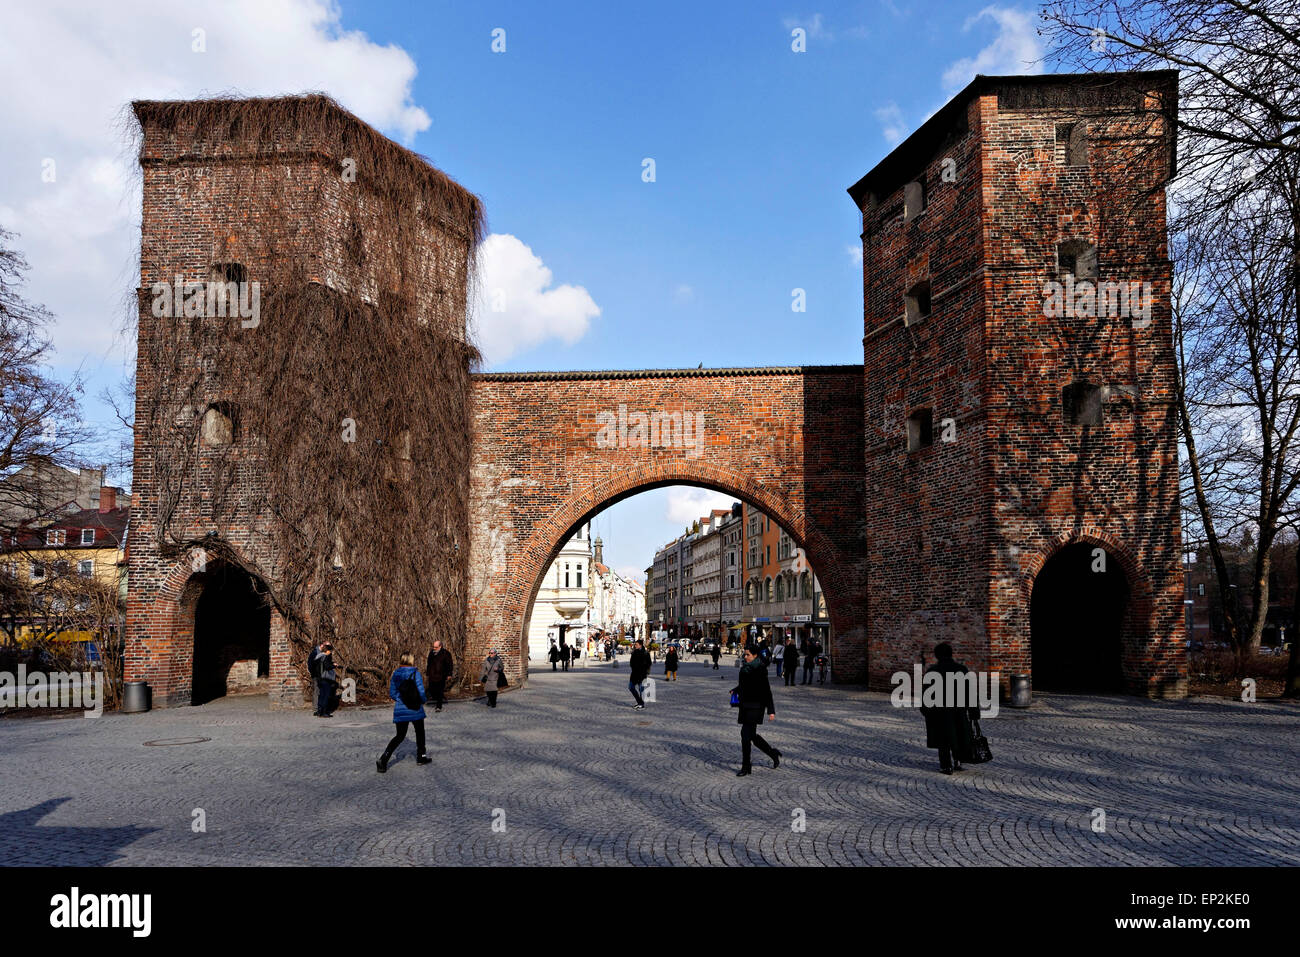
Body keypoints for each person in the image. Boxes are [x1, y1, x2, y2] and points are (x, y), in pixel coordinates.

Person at [920, 642, 977, 774]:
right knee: (958, 734)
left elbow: (926, 694)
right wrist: (974, 711)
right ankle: (958, 760)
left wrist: (926, 710)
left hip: (940, 711)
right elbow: (969, 692)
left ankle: (946, 765)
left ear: (937, 655)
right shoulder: (961, 670)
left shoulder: (932, 671)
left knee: (943, 739)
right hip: (958, 709)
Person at [377, 653, 430, 772]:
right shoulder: (415, 673)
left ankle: (384, 758)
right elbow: (421, 690)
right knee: (420, 732)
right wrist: (422, 700)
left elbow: (392, 693)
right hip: (415, 708)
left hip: (401, 707)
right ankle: (421, 757)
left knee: (399, 736)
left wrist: (401, 699)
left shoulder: (396, 673)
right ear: (411, 660)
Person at [733, 645, 780, 776]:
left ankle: (746, 767)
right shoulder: (745, 668)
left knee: (745, 735)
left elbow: (766, 690)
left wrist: (771, 710)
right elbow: (744, 684)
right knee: (751, 736)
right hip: (744, 705)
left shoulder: (760, 669)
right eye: (744, 654)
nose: (745, 656)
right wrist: (736, 690)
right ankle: (773, 753)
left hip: (756, 706)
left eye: (747, 654)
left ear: (755, 655)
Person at [425, 639, 454, 714]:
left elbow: (449, 664)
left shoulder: (446, 653)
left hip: (441, 675)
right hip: (432, 674)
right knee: (432, 688)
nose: (434, 648)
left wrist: (449, 674)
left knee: (440, 690)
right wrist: (428, 672)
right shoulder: (431, 653)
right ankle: (435, 697)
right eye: (433, 647)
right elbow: (429, 663)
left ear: (440, 646)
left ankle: (439, 705)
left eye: (436, 647)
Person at [628, 639, 651, 710]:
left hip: (642, 674)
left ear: (640, 645)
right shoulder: (634, 652)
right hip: (634, 674)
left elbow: (649, 663)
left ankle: (641, 704)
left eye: (636, 644)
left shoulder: (646, 653)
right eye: (635, 644)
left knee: (641, 690)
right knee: (631, 687)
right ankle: (639, 702)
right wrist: (633, 667)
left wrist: (644, 670)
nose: (635, 646)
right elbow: (631, 662)